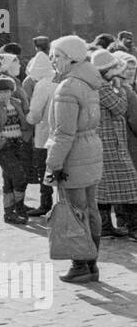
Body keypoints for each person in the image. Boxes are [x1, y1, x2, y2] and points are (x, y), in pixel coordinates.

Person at [46, 37, 103, 284]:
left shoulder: (68, 87)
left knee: (75, 211)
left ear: (71, 58)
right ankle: (92, 264)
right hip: (90, 149)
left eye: (57, 56)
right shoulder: (89, 82)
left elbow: (64, 133)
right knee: (91, 208)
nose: (53, 61)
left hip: (74, 154)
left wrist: (53, 164)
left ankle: (81, 266)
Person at [91, 48, 137, 239]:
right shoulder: (103, 87)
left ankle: (107, 226)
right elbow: (120, 107)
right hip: (111, 143)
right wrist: (122, 89)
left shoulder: (101, 85)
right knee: (130, 184)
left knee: (105, 186)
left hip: (108, 142)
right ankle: (133, 227)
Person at [0, 76, 32, 224]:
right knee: (19, 177)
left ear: (12, 91)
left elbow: (25, 122)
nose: (4, 94)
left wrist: (25, 137)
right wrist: (1, 143)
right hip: (3, 148)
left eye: (7, 91)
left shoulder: (17, 104)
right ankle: (19, 207)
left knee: (9, 179)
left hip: (19, 144)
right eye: (0, 92)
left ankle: (10, 212)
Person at [24, 54, 56, 218]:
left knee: (44, 170)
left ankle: (45, 203)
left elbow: (35, 113)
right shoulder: (59, 78)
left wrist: (27, 119)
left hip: (44, 134)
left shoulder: (43, 84)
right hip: (59, 133)